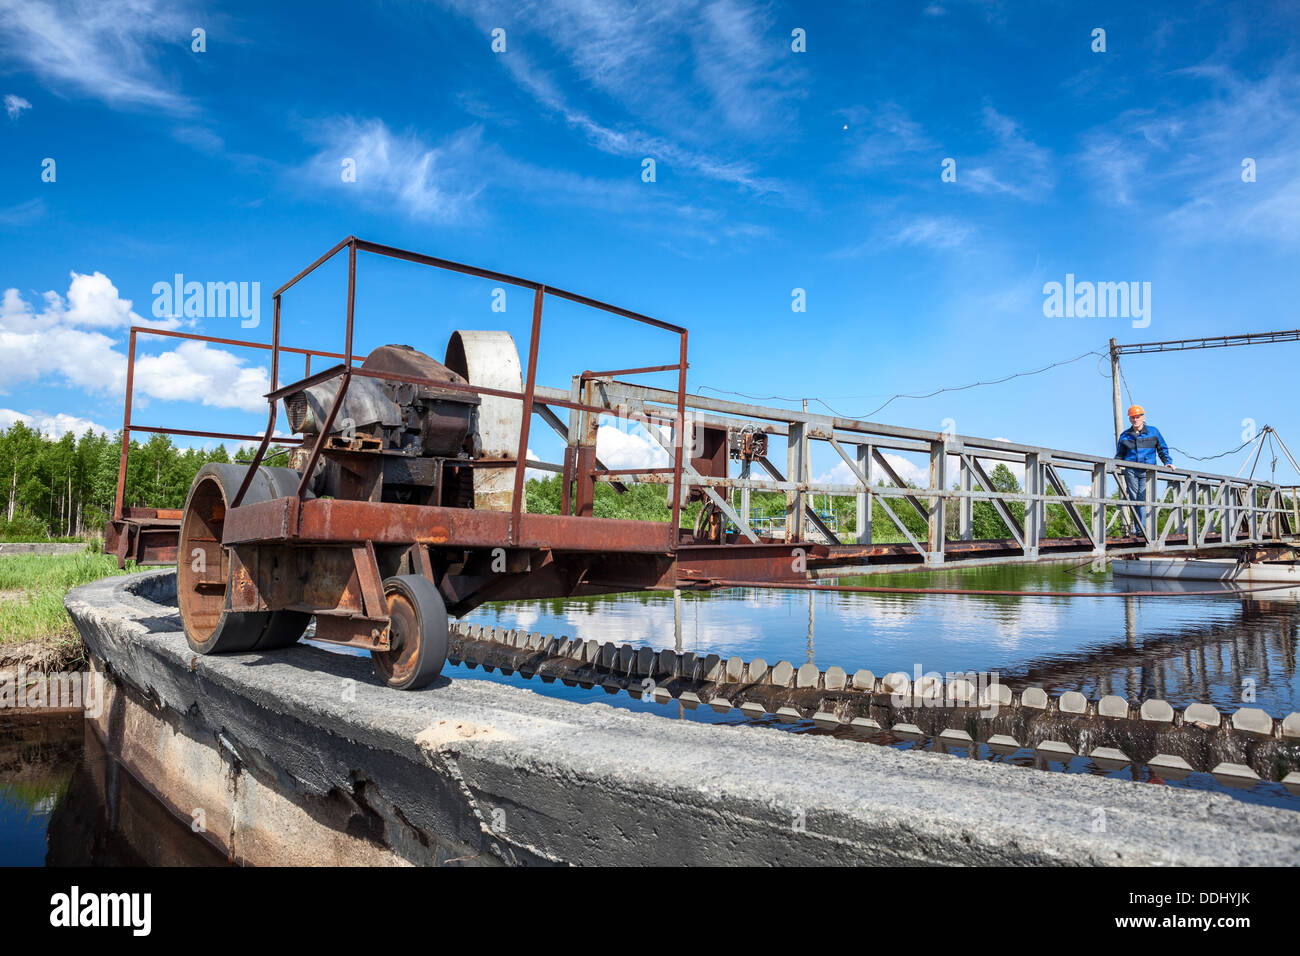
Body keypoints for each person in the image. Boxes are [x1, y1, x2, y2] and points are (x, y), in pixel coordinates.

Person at [1114, 404, 1172, 537]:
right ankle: (1141, 530)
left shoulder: (1153, 432)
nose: (1135, 420)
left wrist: (1167, 462)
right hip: (1131, 470)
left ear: (1143, 417)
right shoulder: (1125, 435)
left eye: (1138, 417)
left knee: (1143, 498)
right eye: (1132, 417)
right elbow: (1120, 454)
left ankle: (1142, 530)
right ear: (1130, 419)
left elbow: (1162, 448)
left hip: (1148, 471)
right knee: (1135, 499)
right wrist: (1114, 464)